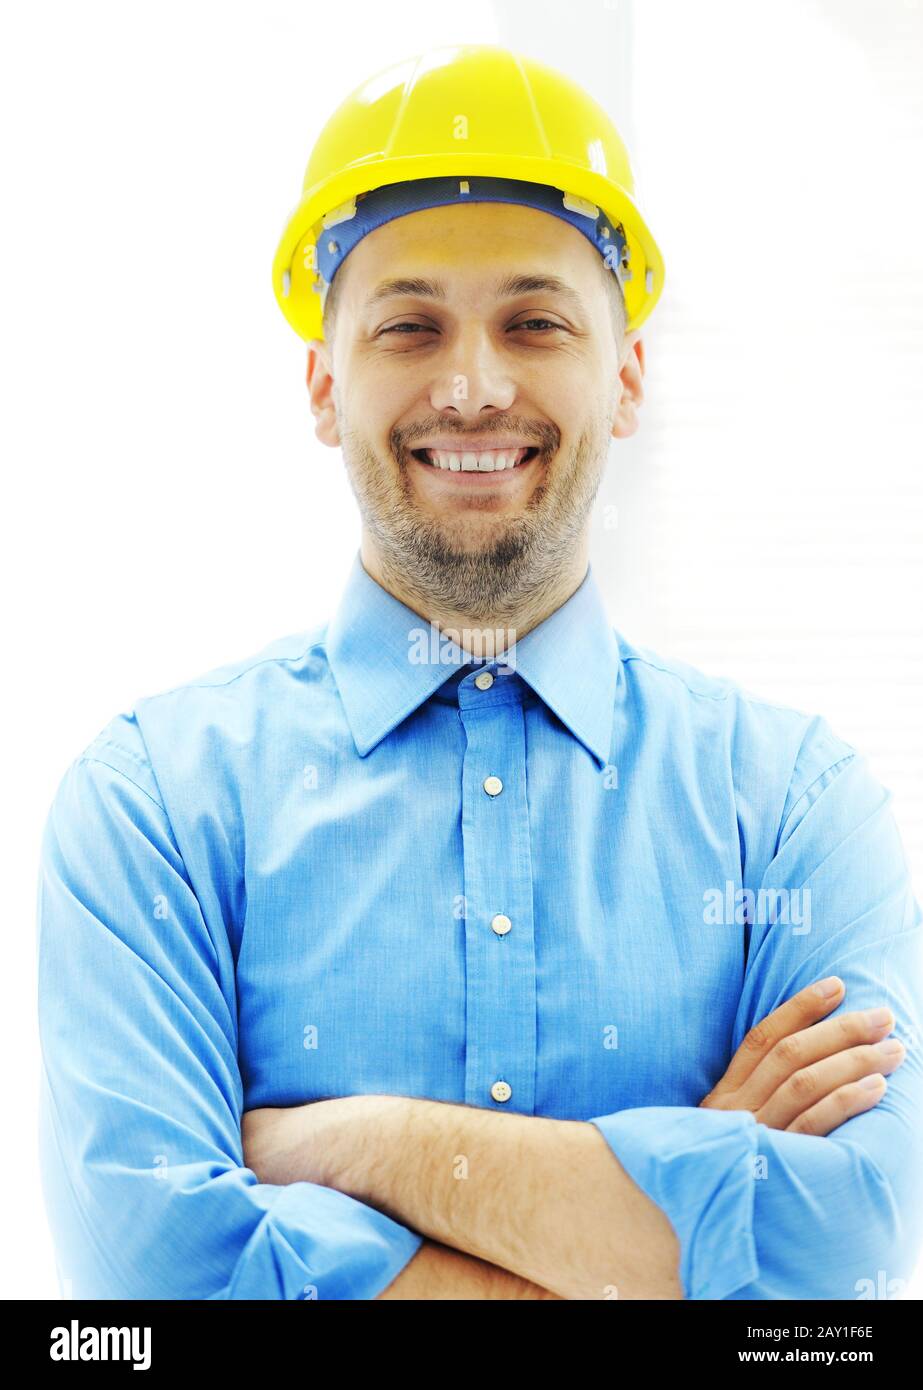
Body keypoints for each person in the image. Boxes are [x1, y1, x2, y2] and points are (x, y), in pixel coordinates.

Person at [37, 43, 923, 1301]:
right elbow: (161, 1283)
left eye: (534, 321)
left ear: (623, 376)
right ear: (320, 381)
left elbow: (846, 1250)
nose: (470, 386)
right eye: (408, 325)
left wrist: (346, 1146)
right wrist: (666, 1226)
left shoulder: (791, 807)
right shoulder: (154, 809)